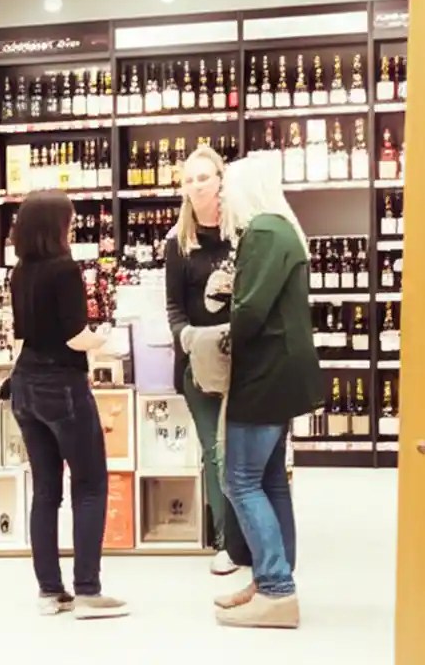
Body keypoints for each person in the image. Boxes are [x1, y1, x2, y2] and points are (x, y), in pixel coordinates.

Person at [7, 189, 127, 619]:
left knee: (45, 489)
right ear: (56, 227)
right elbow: (75, 334)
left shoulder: (19, 273)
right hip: (63, 385)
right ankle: (88, 591)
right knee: (91, 483)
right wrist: (108, 339)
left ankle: (48, 591)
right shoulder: (65, 270)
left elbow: (26, 333)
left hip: (24, 385)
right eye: (70, 222)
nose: (73, 228)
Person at [215, 156, 322, 629]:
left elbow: (251, 313)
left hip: (263, 374)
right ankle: (271, 577)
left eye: (226, 189)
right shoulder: (286, 230)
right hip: (288, 373)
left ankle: (277, 589)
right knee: (272, 479)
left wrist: (224, 325)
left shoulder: (260, 231)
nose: (222, 197)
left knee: (239, 480)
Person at [165, 145, 248, 577]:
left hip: (244, 361)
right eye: (189, 179)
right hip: (199, 367)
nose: (196, 185)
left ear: (220, 180)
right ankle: (226, 543)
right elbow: (174, 311)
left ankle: (245, 531)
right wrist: (191, 338)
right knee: (216, 451)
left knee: (241, 451)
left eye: (204, 177)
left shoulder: (243, 234)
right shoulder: (178, 244)